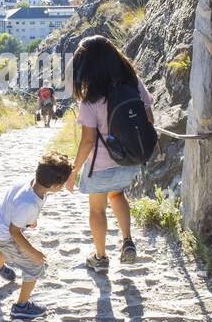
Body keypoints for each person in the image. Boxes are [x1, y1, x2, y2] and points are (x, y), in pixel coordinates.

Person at [65, 36, 154, 273]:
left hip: (101, 165)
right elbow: (149, 120)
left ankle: (101, 257)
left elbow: (88, 141)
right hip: (130, 160)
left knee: (97, 208)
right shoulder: (134, 83)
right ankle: (127, 241)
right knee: (117, 195)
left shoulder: (91, 98)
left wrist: (73, 170)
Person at [0, 152, 74, 319]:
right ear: (55, 186)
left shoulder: (31, 183)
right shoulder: (29, 203)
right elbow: (14, 232)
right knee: (34, 266)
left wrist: (28, 222)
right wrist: (34, 253)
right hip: (6, 233)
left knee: (13, 249)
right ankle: (21, 307)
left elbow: (16, 209)